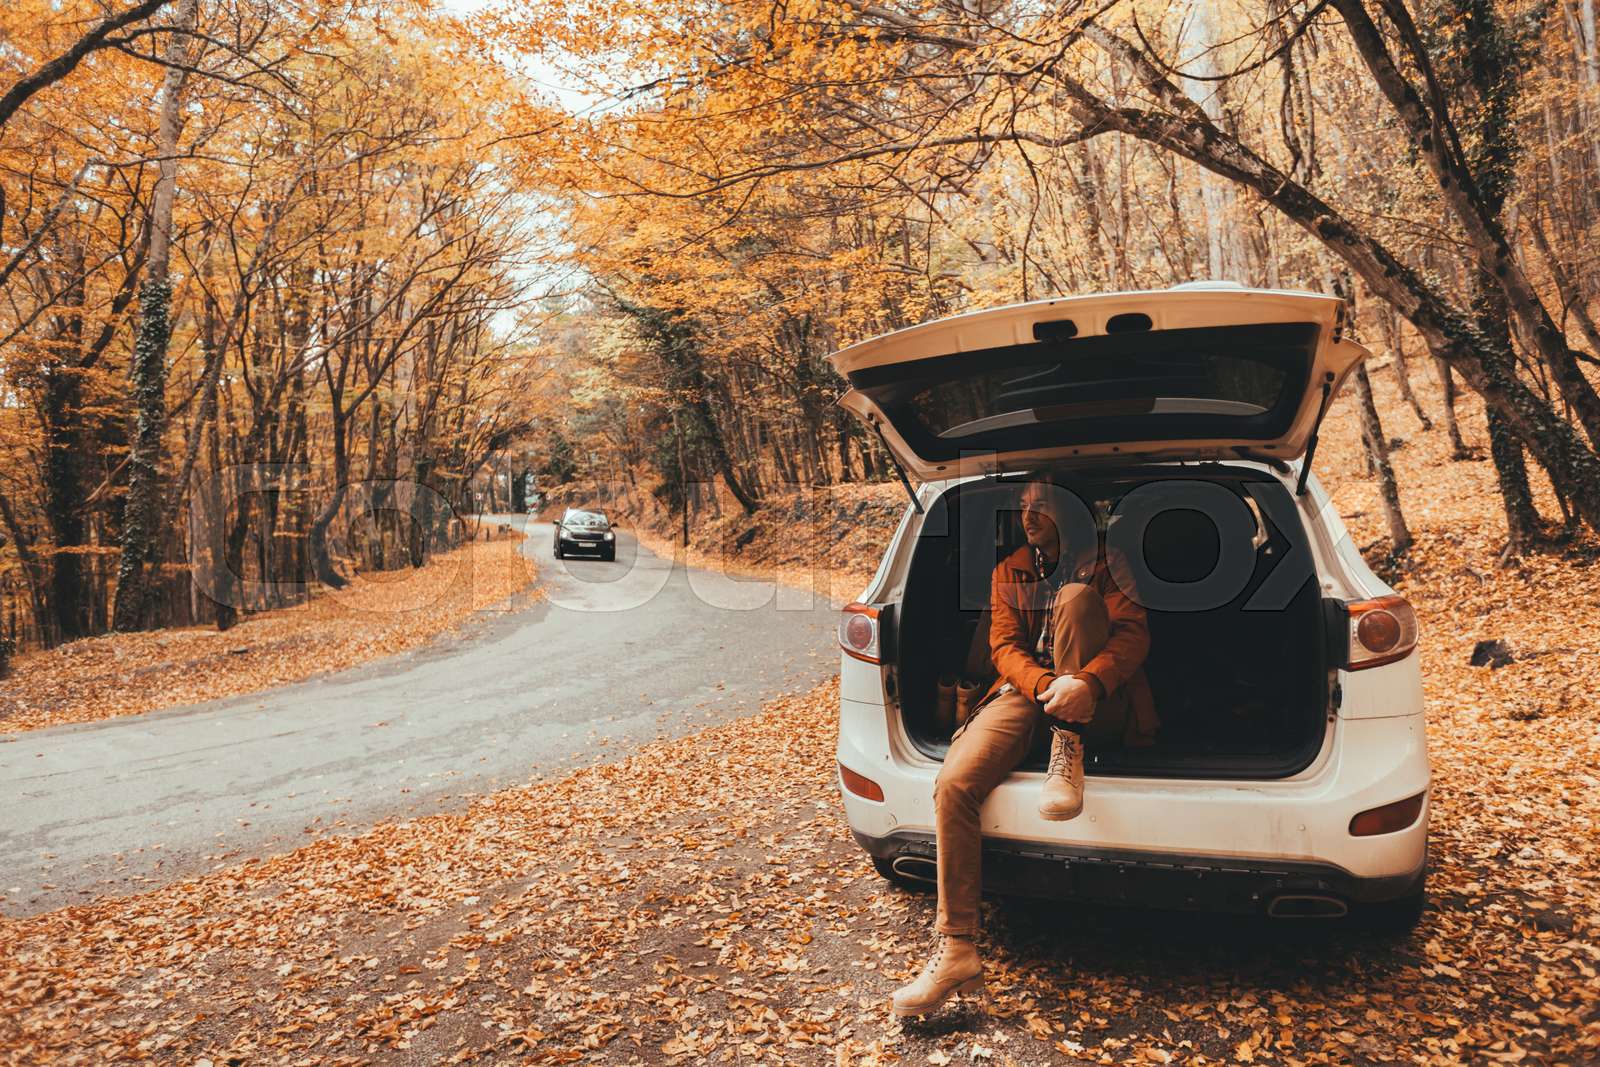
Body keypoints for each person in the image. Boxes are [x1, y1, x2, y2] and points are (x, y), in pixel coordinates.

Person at [891, 478, 1158, 1017]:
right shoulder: (1009, 568)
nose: (1028, 514)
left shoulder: (1109, 562)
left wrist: (1085, 684)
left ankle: (1068, 750)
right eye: (1024, 507)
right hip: (1027, 690)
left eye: (1041, 506)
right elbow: (1002, 646)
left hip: (1094, 696)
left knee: (1078, 600)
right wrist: (1041, 687)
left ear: (1069, 514)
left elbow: (1133, 635)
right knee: (955, 783)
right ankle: (957, 950)